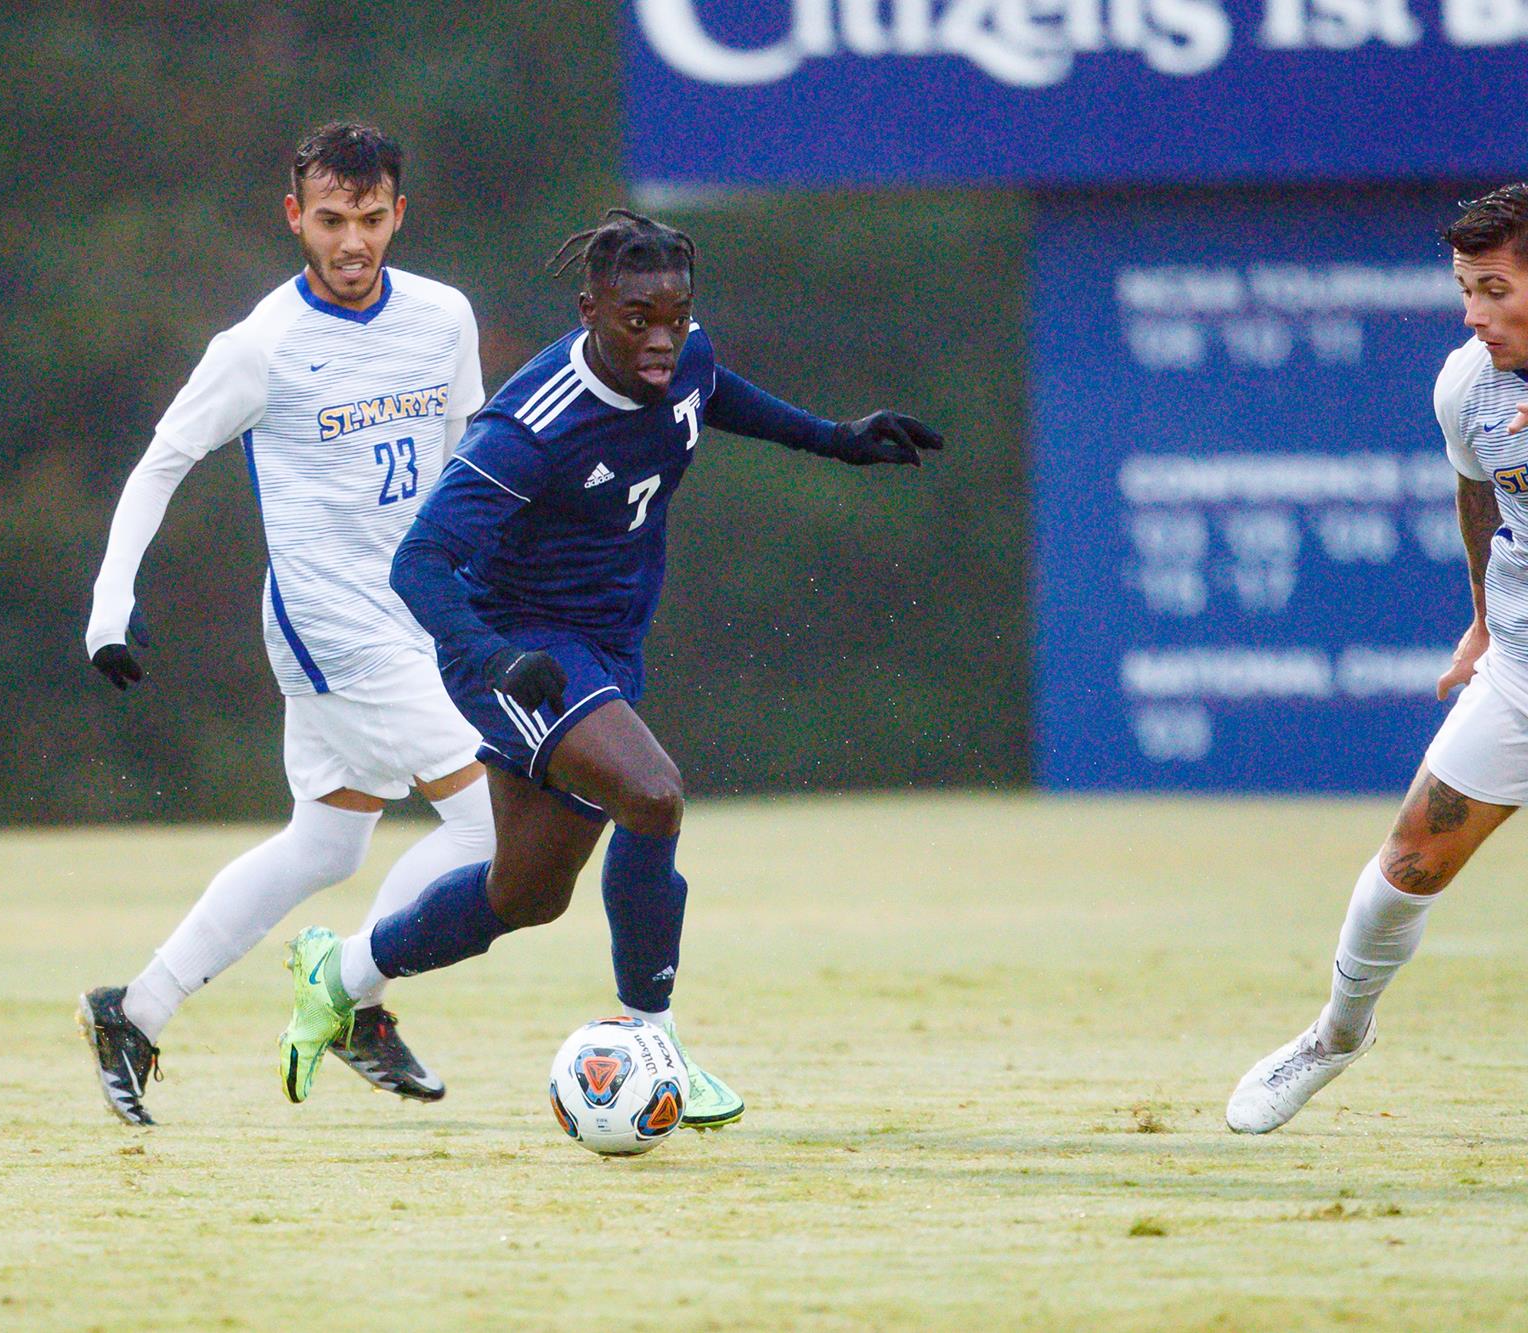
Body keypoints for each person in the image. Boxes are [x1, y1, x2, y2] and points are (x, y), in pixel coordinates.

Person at [276, 209, 945, 1124]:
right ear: (589, 310)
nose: (663, 339)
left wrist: (833, 436)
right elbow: (419, 562)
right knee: (654, 795)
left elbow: (712, 392)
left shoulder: (683, 355)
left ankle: (339, 974)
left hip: (604, 648)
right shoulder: (531, 426)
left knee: (524, 894)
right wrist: (494, 657)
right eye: (638, 320)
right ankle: (657, 1045)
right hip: (518, 650)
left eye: (677, 316)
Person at [77, 123, 495, 1125]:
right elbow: (161, 463)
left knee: (327, 844)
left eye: (370, 218)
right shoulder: (259, 346)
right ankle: (348, 992)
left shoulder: (442, 316)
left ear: (398, 213)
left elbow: (465, 459)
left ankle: (135, 1009)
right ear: (294, 218)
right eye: (330, 219)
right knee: (495, 825)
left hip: (422, 613)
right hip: (331, 626)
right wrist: (109, 604)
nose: (352, 241)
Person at [1227, 183, 1528, 1134]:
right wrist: (1482, 621)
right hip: (1523, 670)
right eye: (1466, 290)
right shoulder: (1469, 387)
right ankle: (1334, 1035)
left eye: (1495, 290)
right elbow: (1479, 493)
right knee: (1408, 862)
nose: (1474, 314)